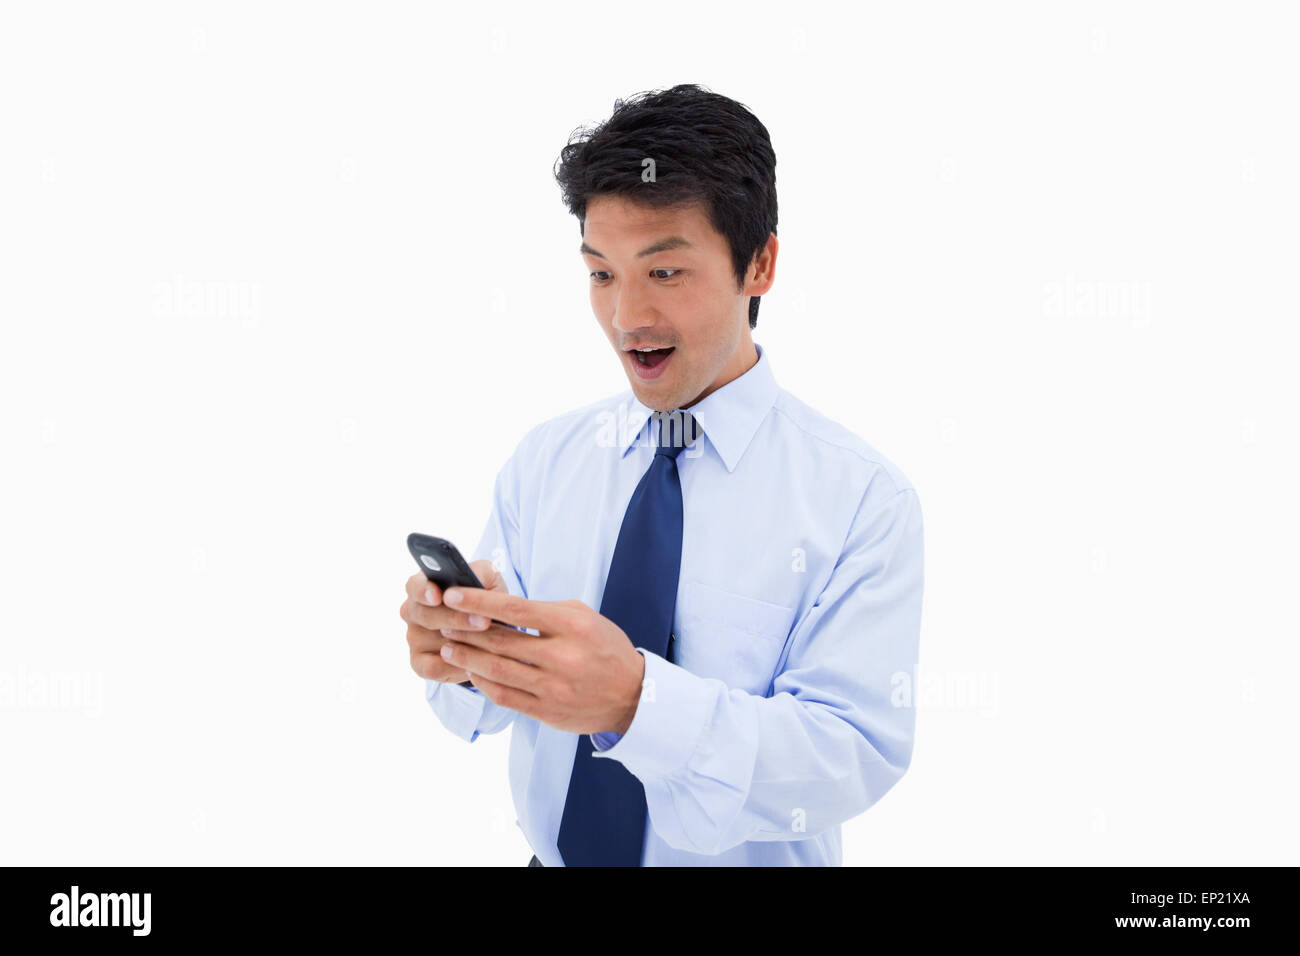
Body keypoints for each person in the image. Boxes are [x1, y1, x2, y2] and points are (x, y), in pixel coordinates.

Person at [400, 84, 924, 866]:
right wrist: (461, 656)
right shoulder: (546, 462)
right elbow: (470, 715)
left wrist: (638, 703)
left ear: (761, 264)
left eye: (665, 272)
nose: (626, 318)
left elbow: (850, 756)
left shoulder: (861, 500)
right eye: (601, 274)